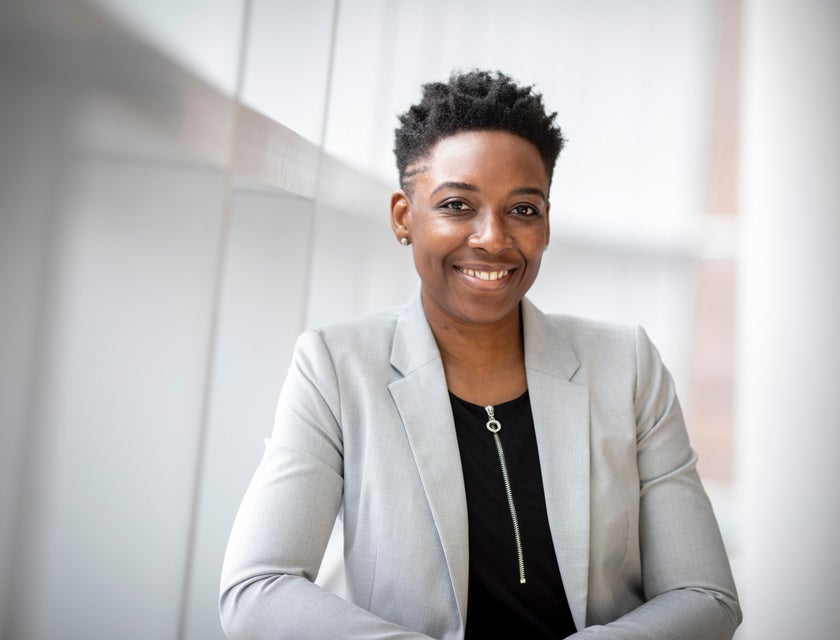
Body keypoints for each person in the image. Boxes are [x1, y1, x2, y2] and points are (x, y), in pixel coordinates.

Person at [219, 69, 741, 639]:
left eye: (522, 209)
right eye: (457, 205)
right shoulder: (336, 367)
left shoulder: (627, 366)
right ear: (403, 217)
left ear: (545, 224)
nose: (493, 238)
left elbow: (704, 595)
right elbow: (258, 589)